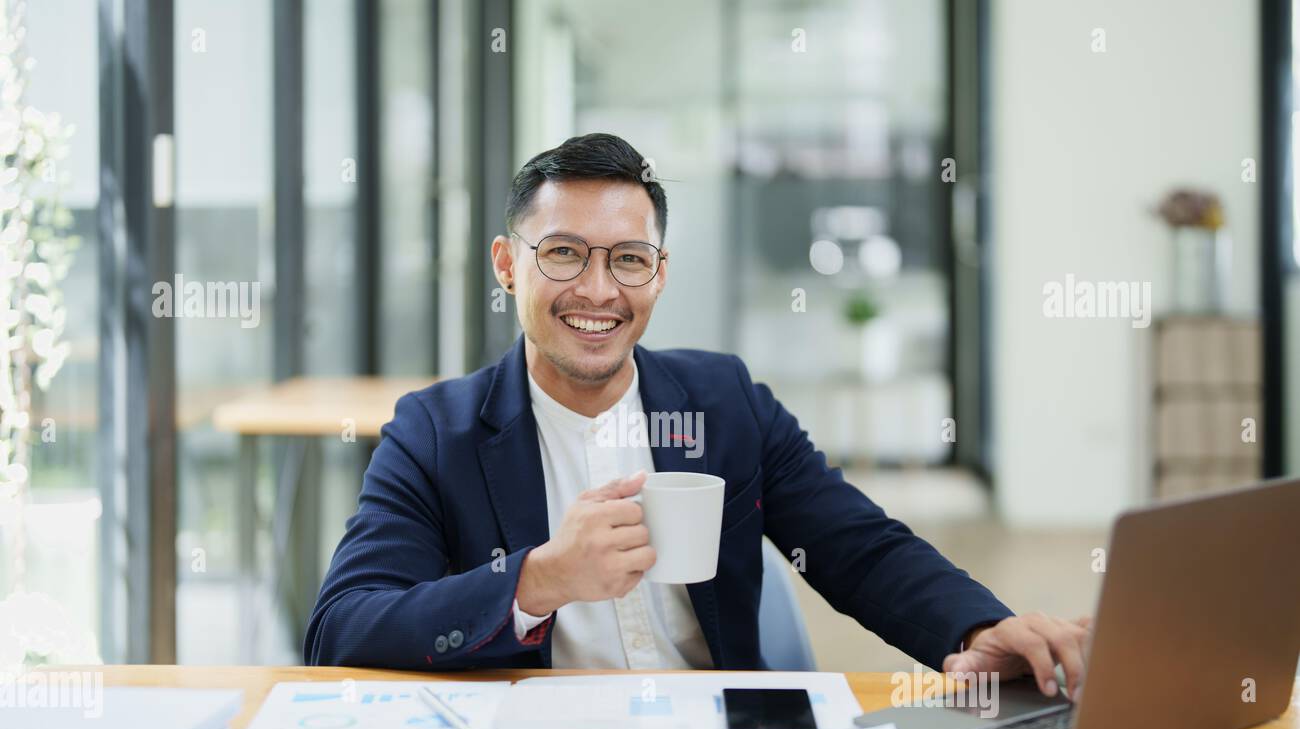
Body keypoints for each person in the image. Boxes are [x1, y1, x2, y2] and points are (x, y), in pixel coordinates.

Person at [305, 132, 1089, 699]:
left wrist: (976, 631)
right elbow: (342, 628)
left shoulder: (724, 403)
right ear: (509, 266)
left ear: (660, 272)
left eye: (629, 259)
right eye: (564, 253)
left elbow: (859, 547)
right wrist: (536, 581)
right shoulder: (435, 433)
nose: (599, 291)